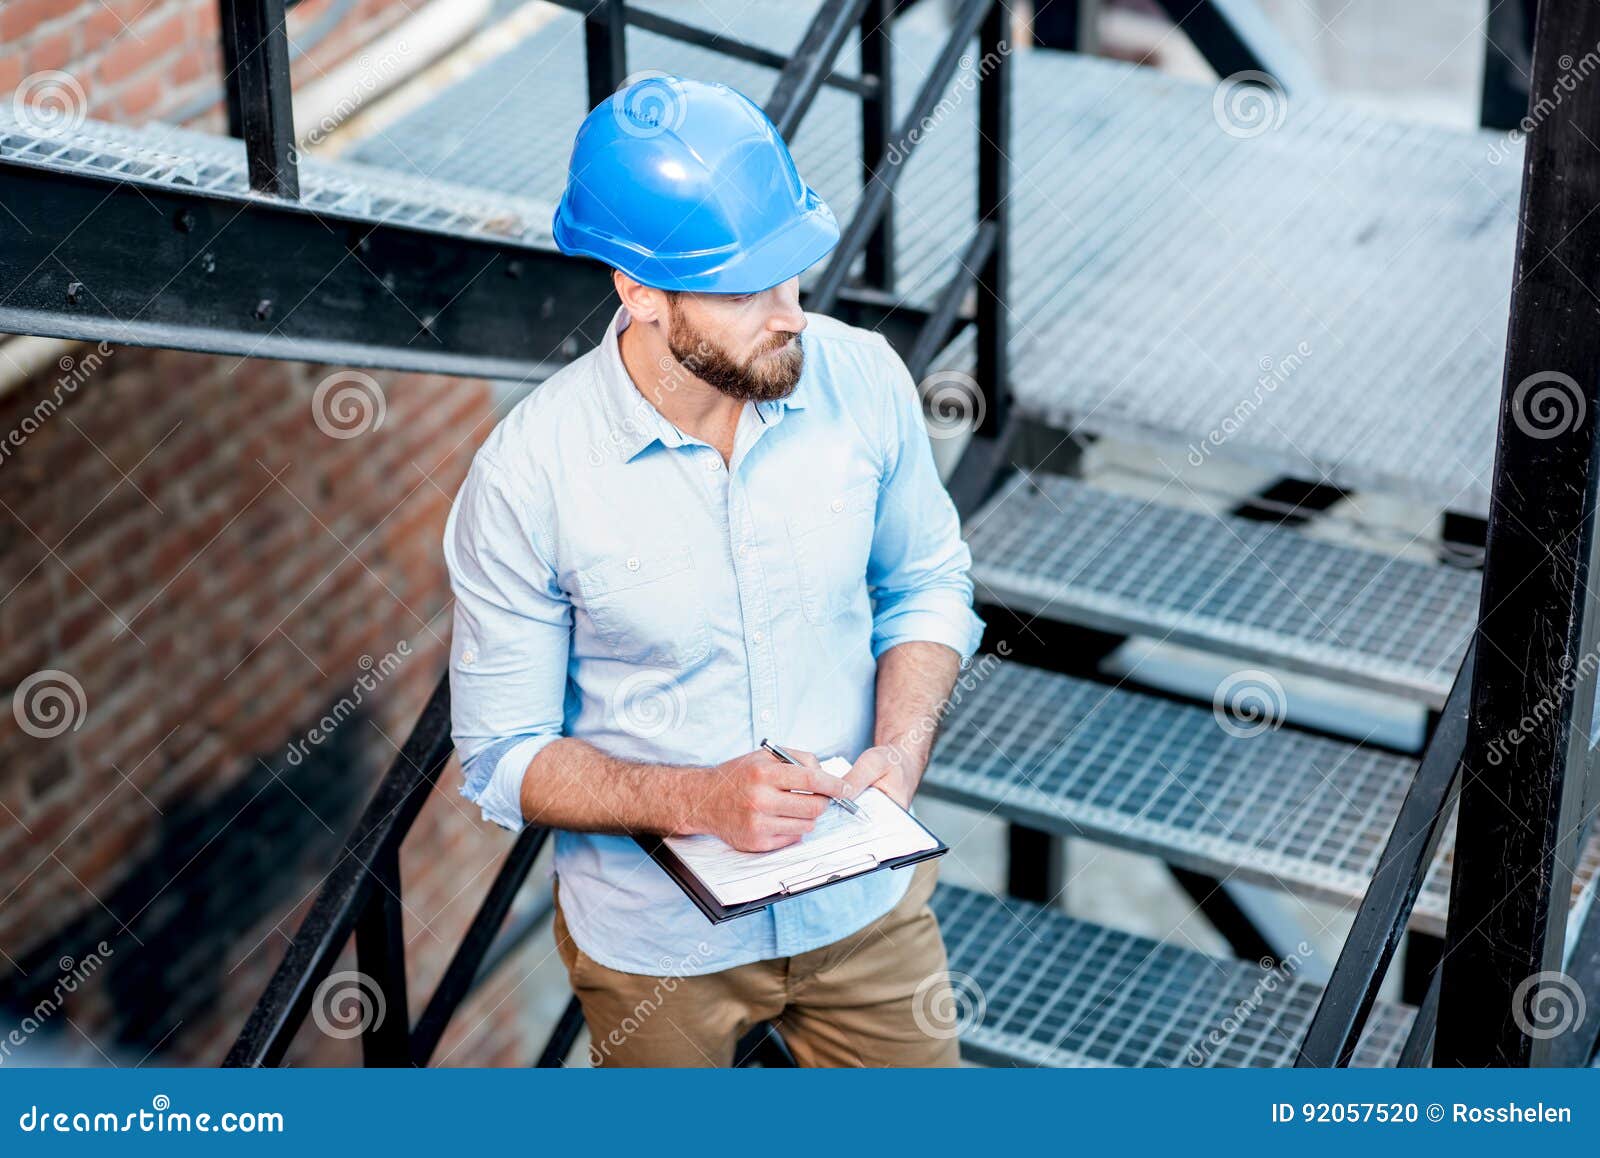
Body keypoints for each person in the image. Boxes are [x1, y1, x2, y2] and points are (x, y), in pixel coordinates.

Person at [443, 74, 985, 1067]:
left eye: (794, 275)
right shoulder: (527, 476)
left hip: (862, 911)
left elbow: (927, 582)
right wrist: (699, 801)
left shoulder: (859, 376)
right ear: (639, 292)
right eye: (744, 290)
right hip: (656, 949)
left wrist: (902, 751)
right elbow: (499, 757)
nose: (789, 316)